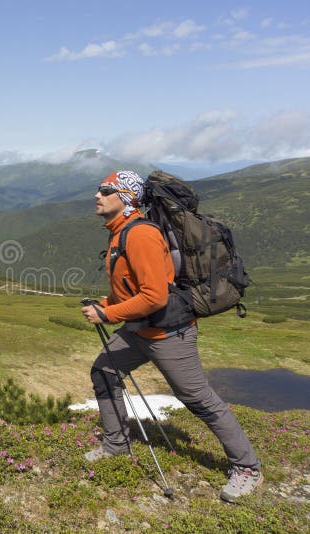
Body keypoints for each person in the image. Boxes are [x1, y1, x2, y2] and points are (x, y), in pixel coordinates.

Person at [80, 170, 263, 503]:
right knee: (104, 372)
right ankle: (116, 446)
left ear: (125, 197)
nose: (97, 194)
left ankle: (248, 467)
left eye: (105, 190)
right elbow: (131, 292)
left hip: (169, 334)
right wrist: (106, 303)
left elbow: (155, 297)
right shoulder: (119, 232)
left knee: (197, 399)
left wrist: (107, 314)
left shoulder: (140, 235)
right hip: (140, 329)